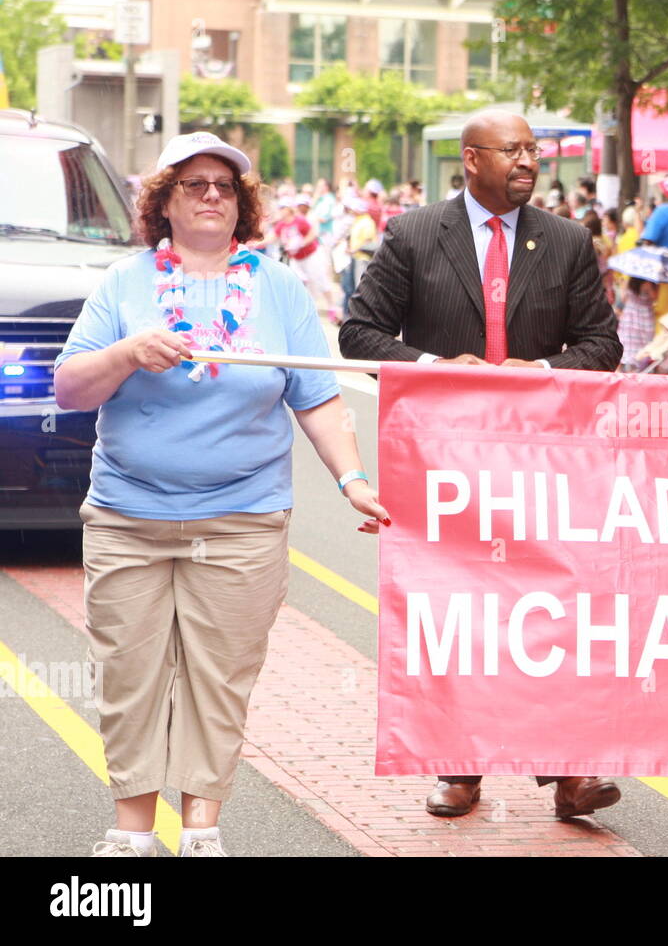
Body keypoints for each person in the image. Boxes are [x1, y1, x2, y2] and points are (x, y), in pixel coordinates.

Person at [52, 132, 388, 858]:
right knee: (128, 673)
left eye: (226, 186)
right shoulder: (125, 281)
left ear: (242, 204)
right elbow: (71, 386)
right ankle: (132, 831)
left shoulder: (275, 287)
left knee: (219, 677)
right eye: (195, 184)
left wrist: (353, 480)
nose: (212, 195)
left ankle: (202, 829)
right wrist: (127, 351)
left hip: (242, 521)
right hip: (127, 516)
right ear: (163, 201)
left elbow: (319, 397)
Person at [338, 110, 623, 820]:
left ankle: (570, 773)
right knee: (455, 612)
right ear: (470, 160)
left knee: (554, 613)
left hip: (544, 461)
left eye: (534, 150)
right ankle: (459, 769)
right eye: (513, 150)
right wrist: (435, 367)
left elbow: (603, 344)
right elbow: (359, 333)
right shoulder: (411, 234)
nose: (529, 161)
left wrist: (544, 370)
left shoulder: (565, 240)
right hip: (442, 458)